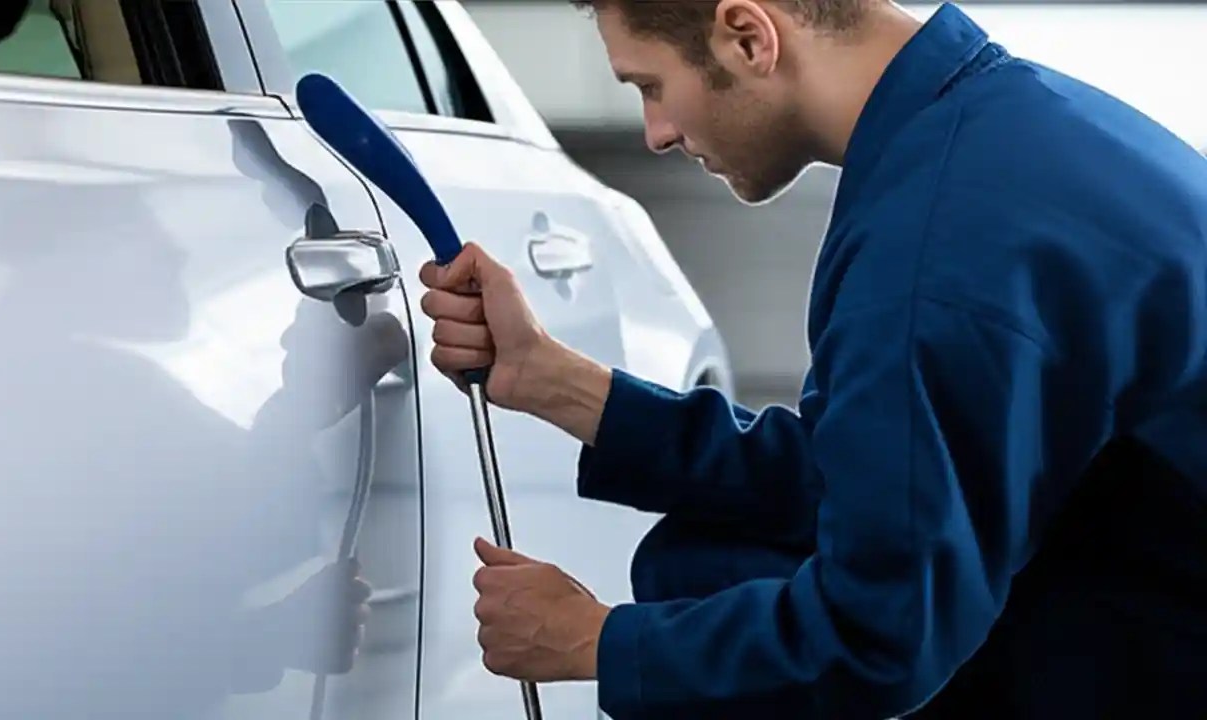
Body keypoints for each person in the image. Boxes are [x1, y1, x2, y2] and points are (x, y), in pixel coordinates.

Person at [419, 0, 1207, 717]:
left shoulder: (935, 243)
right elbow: (869, 481)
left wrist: (596, 642)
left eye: (650, 86)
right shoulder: (999, 129)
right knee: (711, 567)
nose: (655, 132)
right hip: (1146, 597)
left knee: (705, 583)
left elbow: (879, 636)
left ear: (748, 37)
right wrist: (561, 385)